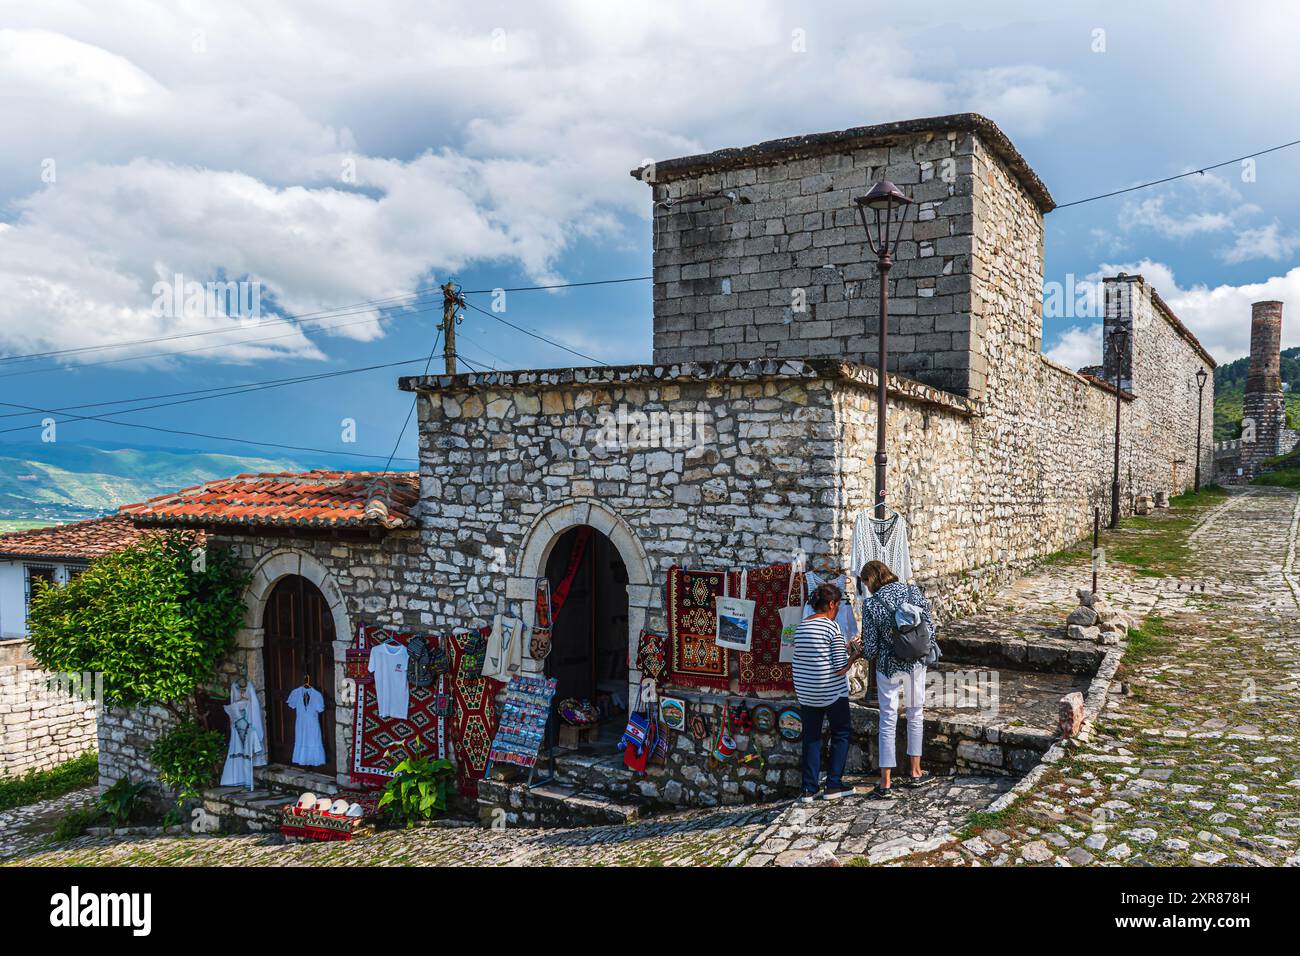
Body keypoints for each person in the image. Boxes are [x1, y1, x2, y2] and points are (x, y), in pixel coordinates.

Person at [855, 559, 937, 800]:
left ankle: (886, 782)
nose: (866, 588)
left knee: (888, 719)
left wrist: (863, 648)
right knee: (915, 713)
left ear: (871, 580)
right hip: (916, 664)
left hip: (888, 667)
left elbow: (870, 650)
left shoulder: (871, 606)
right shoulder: (913, 591)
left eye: (865, 583)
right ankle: (915, 771)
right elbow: (929, 627)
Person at [791, 581, 855, 802]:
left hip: (806, 692)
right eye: (837, 606)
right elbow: (840, 667)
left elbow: (811, 656)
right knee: (841, 733)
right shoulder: (831, 627)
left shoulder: (802, 626)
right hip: (831, 692)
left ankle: (809, 789)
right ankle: (833, 785)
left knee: (811, 737)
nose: (837, 611)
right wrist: (855, 656)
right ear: (831, 604)